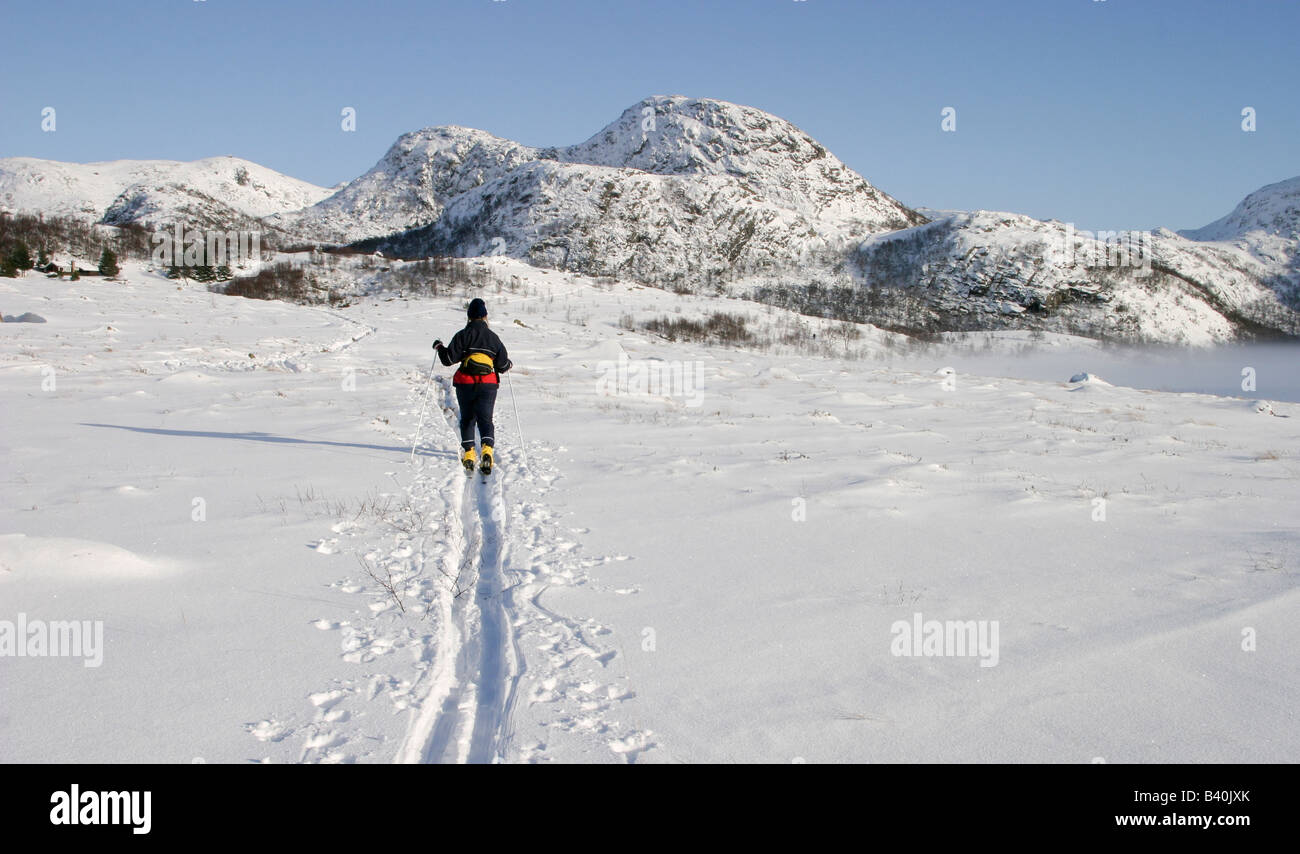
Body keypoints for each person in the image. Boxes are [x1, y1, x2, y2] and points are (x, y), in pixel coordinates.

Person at [433, 298, 512, 474]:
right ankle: (487, 451)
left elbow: (448, 360)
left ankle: (469, 454)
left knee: (468, 418)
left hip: (465, 383)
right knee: (485, 419)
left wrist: (439, 347)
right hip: (488, 385)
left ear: (468, 316)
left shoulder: (462, 335)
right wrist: (509, 365)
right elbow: (502, 365)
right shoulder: (493, 338)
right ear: (485, 316)